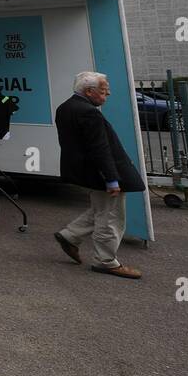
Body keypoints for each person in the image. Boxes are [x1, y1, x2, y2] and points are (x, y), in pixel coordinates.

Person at [53, 71, 145, 279]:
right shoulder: (89, 112)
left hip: (87, 172)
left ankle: (69, 236)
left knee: (100, 209)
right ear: (89, 91)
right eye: (104, 91)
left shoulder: (65, 107)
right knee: (111, 217)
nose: (108, 94)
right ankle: (106, 261)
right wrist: (111, 178)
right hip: (102, 173)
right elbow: (99, 148)